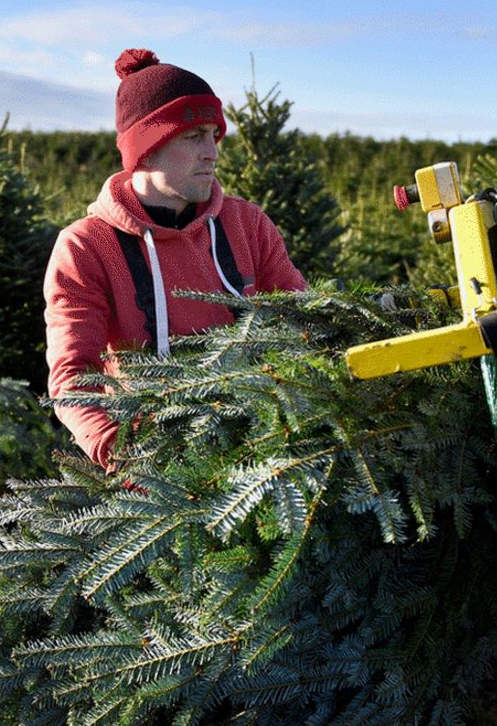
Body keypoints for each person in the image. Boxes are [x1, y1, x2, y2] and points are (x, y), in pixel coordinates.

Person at [43, 48, 307, 467]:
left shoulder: (248, 223)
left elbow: (301, 320)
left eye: (213, 135)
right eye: (192, 137)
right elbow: (74, 379)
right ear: (146, 150)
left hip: (263, 449)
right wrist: (131, 460)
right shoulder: (85, 247)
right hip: (158, 462)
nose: (212, 152)